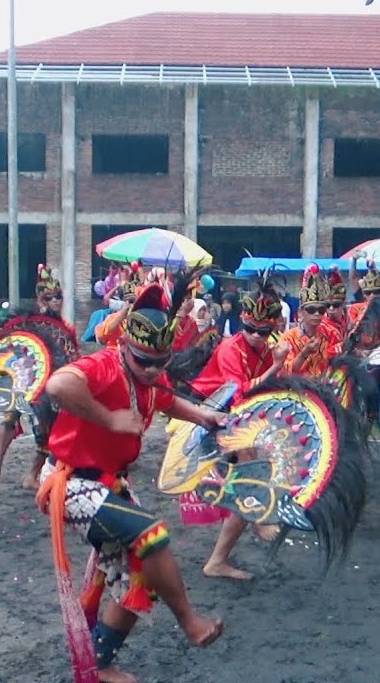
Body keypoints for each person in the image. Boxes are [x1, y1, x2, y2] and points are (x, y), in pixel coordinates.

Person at [37, 271, 224, 683]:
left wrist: (205, 416)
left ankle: (101, 664)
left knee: (143, 572)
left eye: (162, 362)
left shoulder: (149, 376)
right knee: (151, 536)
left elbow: (166, 398)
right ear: (125, 345)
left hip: (108, 482)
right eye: (145, 362)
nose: (154, 370)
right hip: (71, 483)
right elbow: (57, 384)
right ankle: (190, 622)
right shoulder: (104, 363)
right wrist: (108, 418)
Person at [184, 275, 289, 579]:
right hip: (212, 414)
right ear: (241, 322)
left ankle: (250, 522)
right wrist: (276, 366)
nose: (255, 335)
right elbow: (240, 390)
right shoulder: (231, 348)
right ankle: (228, 548)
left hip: (239, 414)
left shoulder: (269, 347)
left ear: (273, 327)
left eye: (263, 331)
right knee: (251, 480)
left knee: (259, 471)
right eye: (250, 329)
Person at [0, 264, 75, 490]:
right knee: (10, 414)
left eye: (58, 296)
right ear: (41, 301)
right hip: (28, 381)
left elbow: (72, 356)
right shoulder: (29, 324)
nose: (56, 301)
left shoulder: (66, 329)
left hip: (52, 387)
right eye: (50, 297)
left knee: (45, 433)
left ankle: (32, 475)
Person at [278, 265, 341, 377]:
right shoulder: (288, 338)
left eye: (321, 310)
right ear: (300, 312)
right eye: (311, 310)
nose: (317, 314)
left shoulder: (332, 334)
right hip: (298, 390)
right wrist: (304, 353)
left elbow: (340, 364)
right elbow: (283, 373)